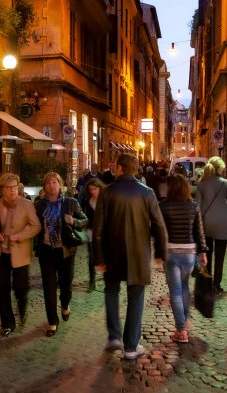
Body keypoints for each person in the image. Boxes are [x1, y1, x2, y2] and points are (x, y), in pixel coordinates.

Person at [93, 153, 168, 359]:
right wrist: (161, 253)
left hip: (111, 252)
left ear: (119, 168)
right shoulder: (147, 192)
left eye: (114, 166)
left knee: (111, 291)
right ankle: (130, 347)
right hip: (137, 254)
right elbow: (159, 225)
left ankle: (115, 336)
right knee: (135, 298)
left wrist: (98, 258)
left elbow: (98, 229)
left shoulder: (106, 192)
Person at [0, 173, 42, 337]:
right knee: (3, 289)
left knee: (20, 288)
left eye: (15, 187)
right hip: (1, 253)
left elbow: (36, 226)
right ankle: (7, 323)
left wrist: (19, 236)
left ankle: (22, 304)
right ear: (2, 190)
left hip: (20, 254)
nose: (12, 191)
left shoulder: (27, 205)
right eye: (9, 188)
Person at [34, 172, 88, 337]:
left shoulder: (70, 203)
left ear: (60, 185)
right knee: (49, 287)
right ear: (45, 187)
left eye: (54, 182)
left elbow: (85, 220)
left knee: (66, 285)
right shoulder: (39, 205)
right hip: (46, 251)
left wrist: (73, 221)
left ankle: (65, 304)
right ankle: (52, 322)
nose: (51, 186)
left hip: (66, 251)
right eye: (48, 183)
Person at [159, 174, 208, 343]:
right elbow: (199, 231)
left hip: (171, 252)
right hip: (189, 252)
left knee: (176, 292)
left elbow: (159, 232)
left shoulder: (163, 206)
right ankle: (183, 322)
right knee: (185, 287)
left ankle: (181, 330)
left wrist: (158, 253)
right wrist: (203, 252)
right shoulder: (193, 205)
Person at [195, 156, 227, 293]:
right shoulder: (225, 183)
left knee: (207, 254)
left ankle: (207, 282)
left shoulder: (201, 183)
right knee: (220, 255)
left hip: (206, 223)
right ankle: (217, 284)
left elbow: (198, 206)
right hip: (222, 222)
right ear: (218, 168)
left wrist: (198, 222)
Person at [80, 178, 106, 291]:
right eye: (90, 189)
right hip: (91, 231)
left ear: (100, 188)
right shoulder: (86, 200)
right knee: (91, 257)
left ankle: (106, 279)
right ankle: (92, 280)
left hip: (104, 232)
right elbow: (82, 213)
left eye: (95, 189)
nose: (93, 191)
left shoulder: (105, 199)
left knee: (105, 256)